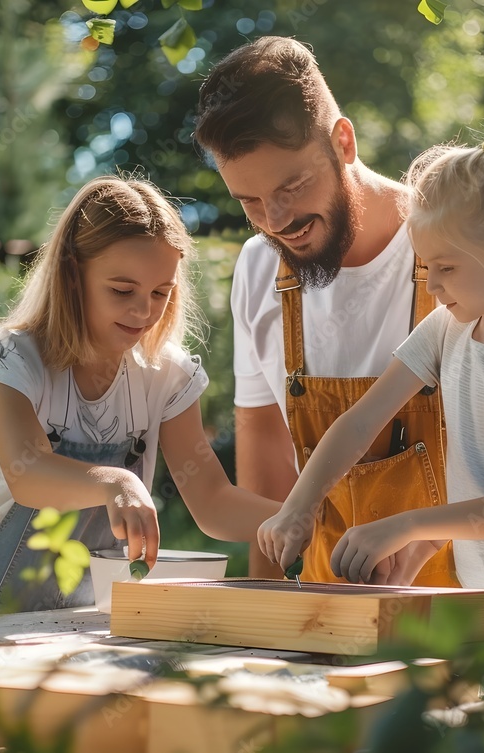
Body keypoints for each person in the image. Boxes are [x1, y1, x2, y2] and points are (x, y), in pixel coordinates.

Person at [259, 125, 484, 642]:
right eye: (426, 265)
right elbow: (360, 423)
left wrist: (409, 525)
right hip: (483, 596)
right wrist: (300, 505)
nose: (434, 284)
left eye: (446, 266)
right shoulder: (448, 328)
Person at [0, 176, 279, 618]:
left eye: (161, 292)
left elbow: (212, 500)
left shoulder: (168, 375)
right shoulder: (12, 357)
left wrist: (305, 517)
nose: (144, 311)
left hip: (80, 619)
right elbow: (28, 473)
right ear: (72, 274)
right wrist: (119, 482)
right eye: (122, 290)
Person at [193, 36, 457, 586]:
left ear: (343, 142)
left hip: (471, 610)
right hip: (322, 613)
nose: (276, 220)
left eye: (292, 185)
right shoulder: (259, 270)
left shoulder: (457, 246)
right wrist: (265, 615)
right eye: (249, 201)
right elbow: (267, 473)